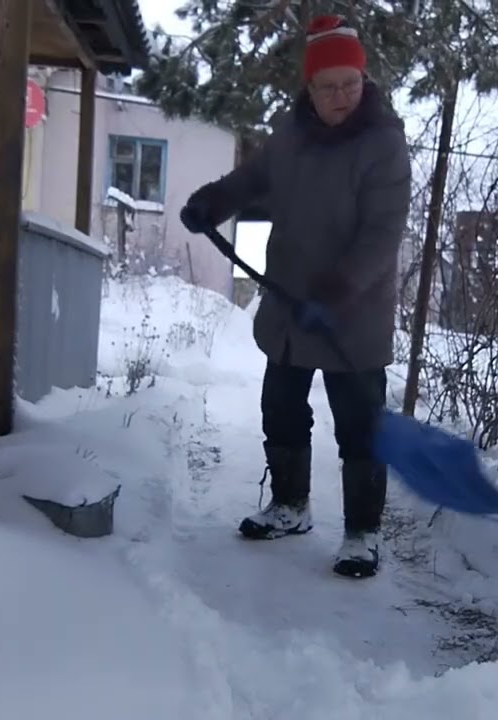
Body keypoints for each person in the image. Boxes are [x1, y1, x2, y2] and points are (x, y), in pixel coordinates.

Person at [179, 15, 412, 579]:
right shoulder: (291, 135)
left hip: (350, 315)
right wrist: (212, 202)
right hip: (289, 306)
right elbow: (254, 180)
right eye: (328, 86)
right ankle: (290, 506)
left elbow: (382, 233)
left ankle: (362, 533)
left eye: (349, 84)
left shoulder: (383, 143)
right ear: (308, 89)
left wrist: (338, 291)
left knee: (359, 426)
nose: (340, 97)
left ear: (364, 80)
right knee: (281, 411)